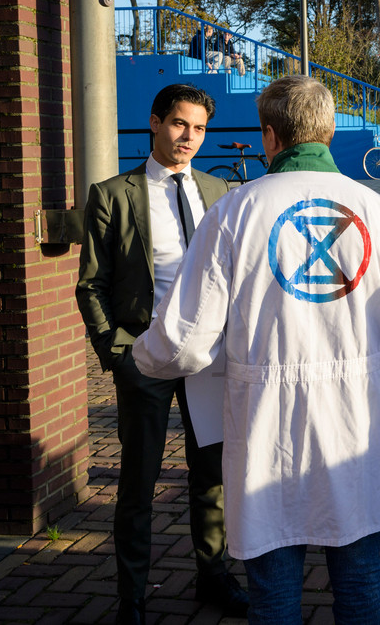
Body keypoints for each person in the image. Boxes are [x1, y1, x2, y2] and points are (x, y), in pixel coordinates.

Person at [132, 75, 380, 625]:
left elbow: (183, 345)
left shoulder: (234, 211)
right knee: (359, 590)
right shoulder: (378, 212)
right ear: (326, 132)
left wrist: (139, 355)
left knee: (273, 599)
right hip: (354, 430)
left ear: (270, 136)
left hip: (267, 436)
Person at [76, 84, 248, 625]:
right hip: (145, 355)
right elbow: (91, 286)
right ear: (154, 123)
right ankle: (132, 597)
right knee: (138, 482)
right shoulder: (113, 194)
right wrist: (116, 352)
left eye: (198, 128)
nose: (188, 138)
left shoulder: (218, 190)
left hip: (208, 358)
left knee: (211, 476)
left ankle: (213, 576)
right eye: (178, 124)